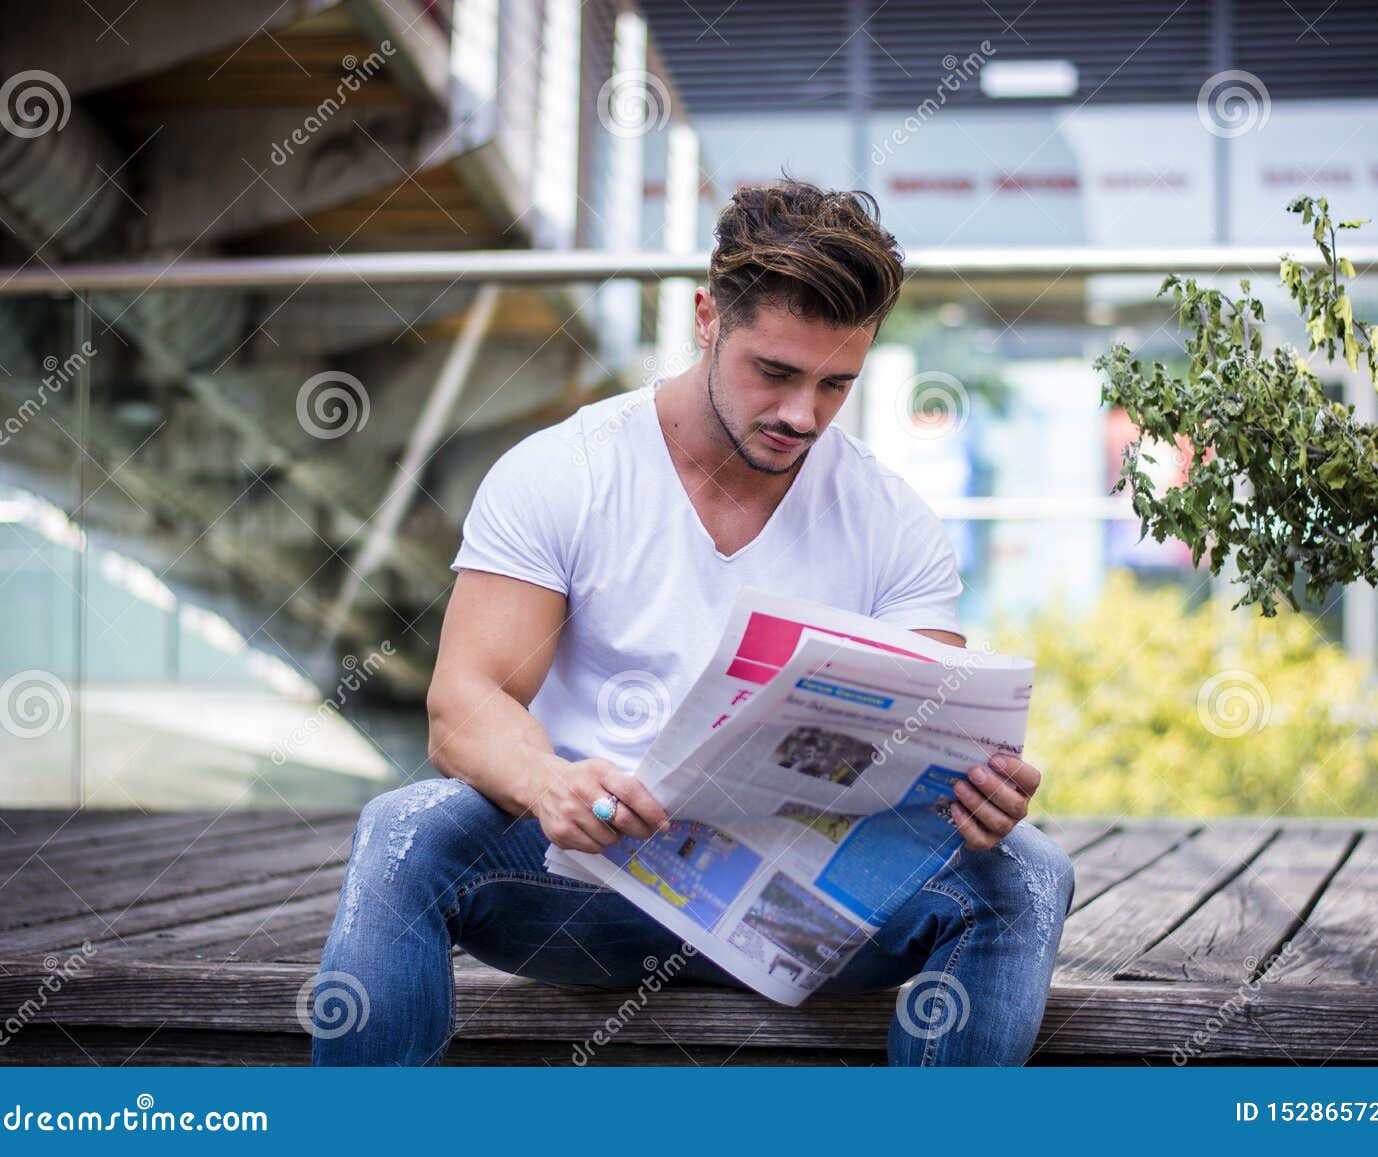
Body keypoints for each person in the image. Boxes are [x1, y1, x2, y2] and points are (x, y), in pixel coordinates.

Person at [312, 179, 1075, 1067]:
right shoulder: (566, 472)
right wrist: (548, 782)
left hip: (800, 911)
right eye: (777, 373)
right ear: (708, 318)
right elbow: (463, 706)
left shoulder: (892, 518)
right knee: (407, 830)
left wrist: (974, 792)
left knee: (1026, 872)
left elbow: (930, 741)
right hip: (582, 884)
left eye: (837, 384)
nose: (803, 414)